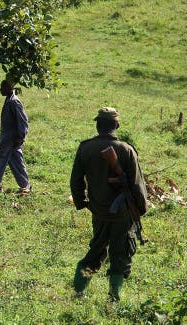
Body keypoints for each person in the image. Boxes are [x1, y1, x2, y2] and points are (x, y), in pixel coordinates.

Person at [70, 107, 147, 302]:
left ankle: (79, 291)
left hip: (98, 210)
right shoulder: (127, 149)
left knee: (96, 250)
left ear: (97, 125)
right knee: (120, 253)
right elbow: (138, 184)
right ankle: (114, 297)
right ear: (117, 126)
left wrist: (82, 202)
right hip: (122, 214)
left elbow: (76, 180)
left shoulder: (85, 148)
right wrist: (140, 208)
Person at [0, 79, 31, 194]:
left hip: (10, 139)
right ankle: (25, 185)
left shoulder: (14, 102)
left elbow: (23, 121)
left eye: (3, 87)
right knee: (16, 161)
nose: (0, 90)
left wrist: (20, 137)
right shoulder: (9, 99)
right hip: (10, 138)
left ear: (10, 88)